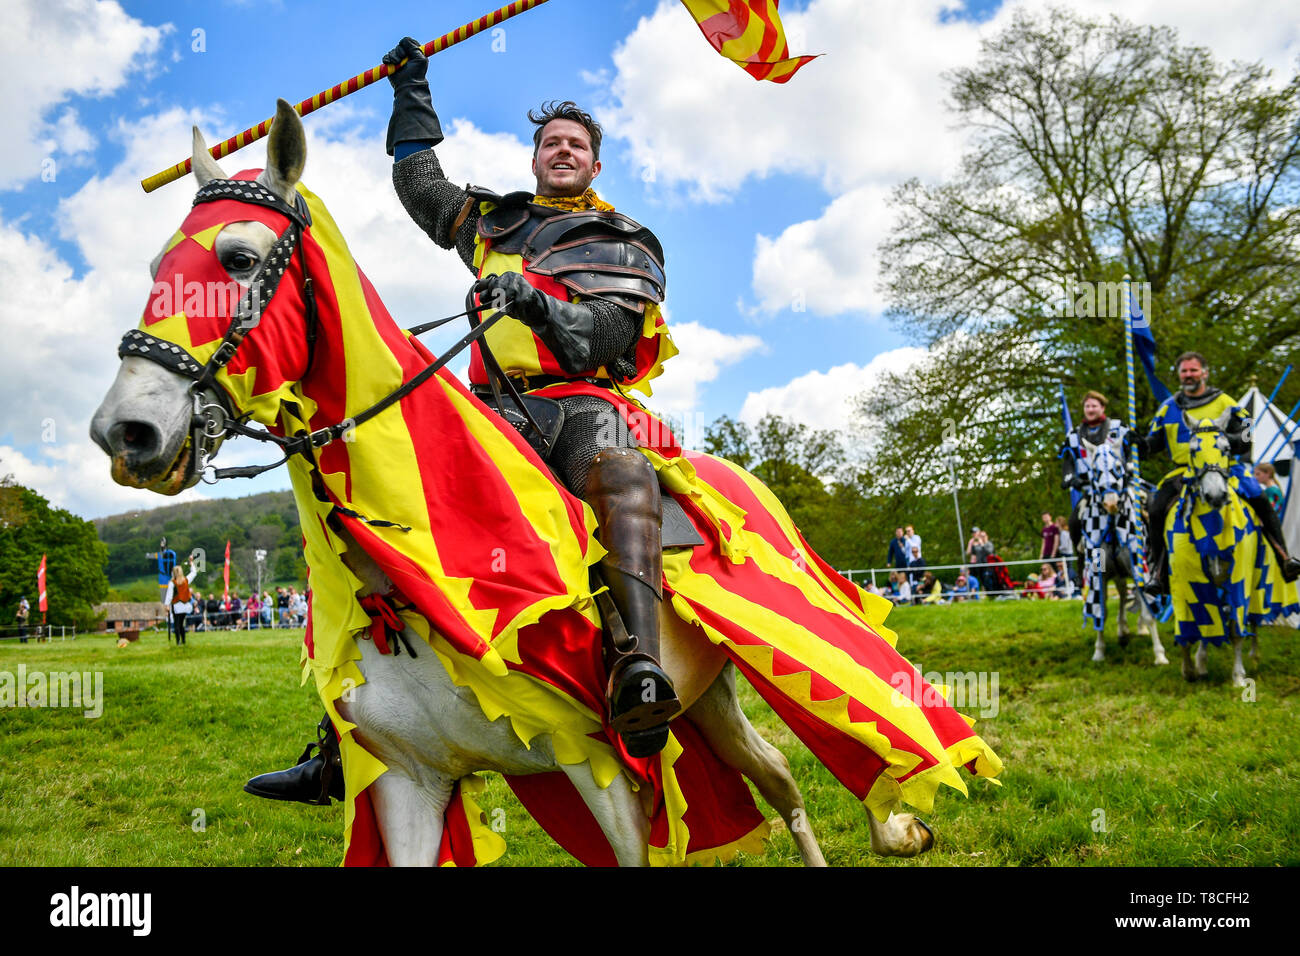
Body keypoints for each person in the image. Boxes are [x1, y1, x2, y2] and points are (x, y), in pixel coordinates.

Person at [247, 36, 682, 803]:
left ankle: (639, 674)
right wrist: (409, 88)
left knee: (624, 470)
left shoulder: (625, 241)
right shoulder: (494, 225)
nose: (562, 151)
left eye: (576, 144)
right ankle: (343, 736)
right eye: (550, 142)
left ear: (595, 164)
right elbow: (421, 183)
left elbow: (608, 337)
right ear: (536, 156)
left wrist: (538, 304)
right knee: (374, 513)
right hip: (488, 412)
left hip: (581, 406)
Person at [1141, 353, 1300, 596]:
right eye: (1184, 371)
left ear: (1204, 372)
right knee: (1154, 509)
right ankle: (1158, 573)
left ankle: (1284, 558)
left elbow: (1248, 438)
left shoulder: (1227, 402)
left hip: (1226, 468)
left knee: (1259, 498)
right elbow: (1155, 442)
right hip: (1182, 472)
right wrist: (1140, 443)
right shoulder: (1167, 408)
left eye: (1193, 370)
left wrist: (1227, 439)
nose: (1188, 375)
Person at [163, 557, 199, 646]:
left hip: (176, 606)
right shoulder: (186, 580)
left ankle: (178, 641)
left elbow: (169, 596)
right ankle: (183, 641)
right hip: (185, 605)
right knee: (181, 624)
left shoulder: (172, 583)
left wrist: (166, 605)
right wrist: (191, 563)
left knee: (177, 624)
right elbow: (194, 573)